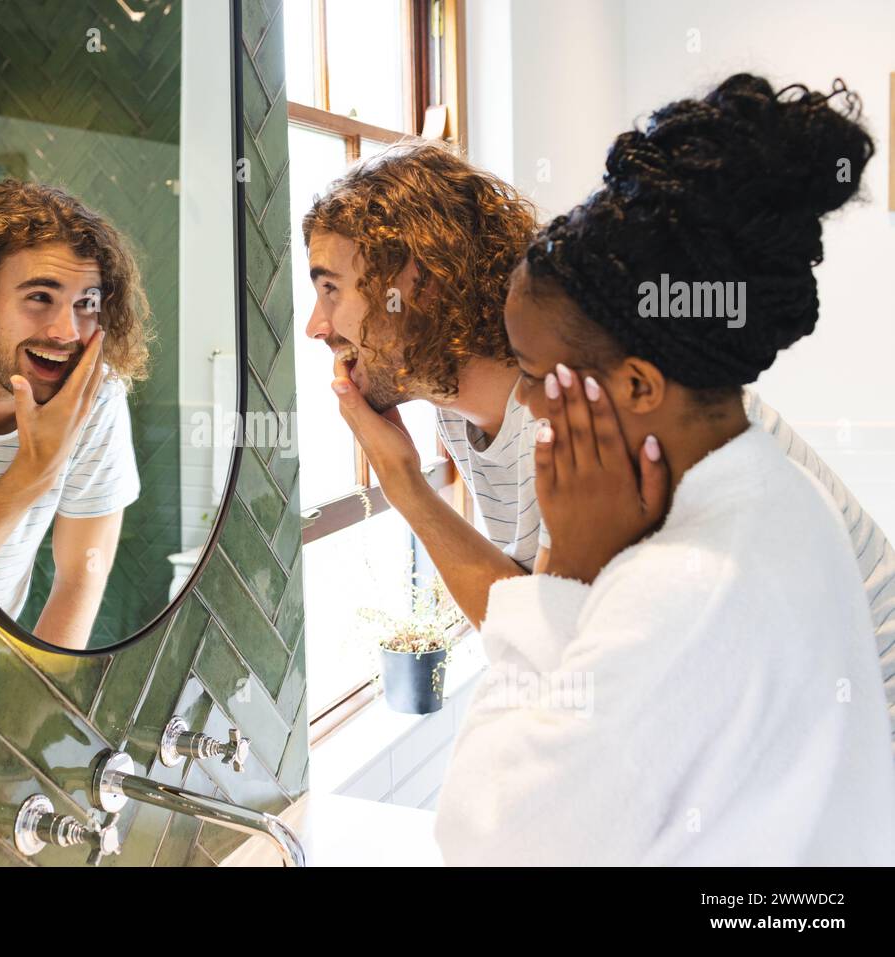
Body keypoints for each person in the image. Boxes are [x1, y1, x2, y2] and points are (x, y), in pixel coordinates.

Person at [303, 138, 895, 757]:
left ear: (414, 283)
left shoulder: (586, 402)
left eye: (331, 289)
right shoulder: (463, 410)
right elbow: (540, 606)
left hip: (859, 730)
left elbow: (556, 660)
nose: (317, 326)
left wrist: (407, 490)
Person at [433, 74, 895, 864]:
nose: (527, 402)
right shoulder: (777, 499)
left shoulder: (688, 587)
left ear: (640, 384)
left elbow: (484, 839)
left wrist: (567, 576)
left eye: (534, 372)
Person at [0, 181, 149, 649]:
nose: (66, 331)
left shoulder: (94, 394)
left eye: (86, 303)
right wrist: (33, 471)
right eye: (40, 297)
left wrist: (38, 701)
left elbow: (79, 579)